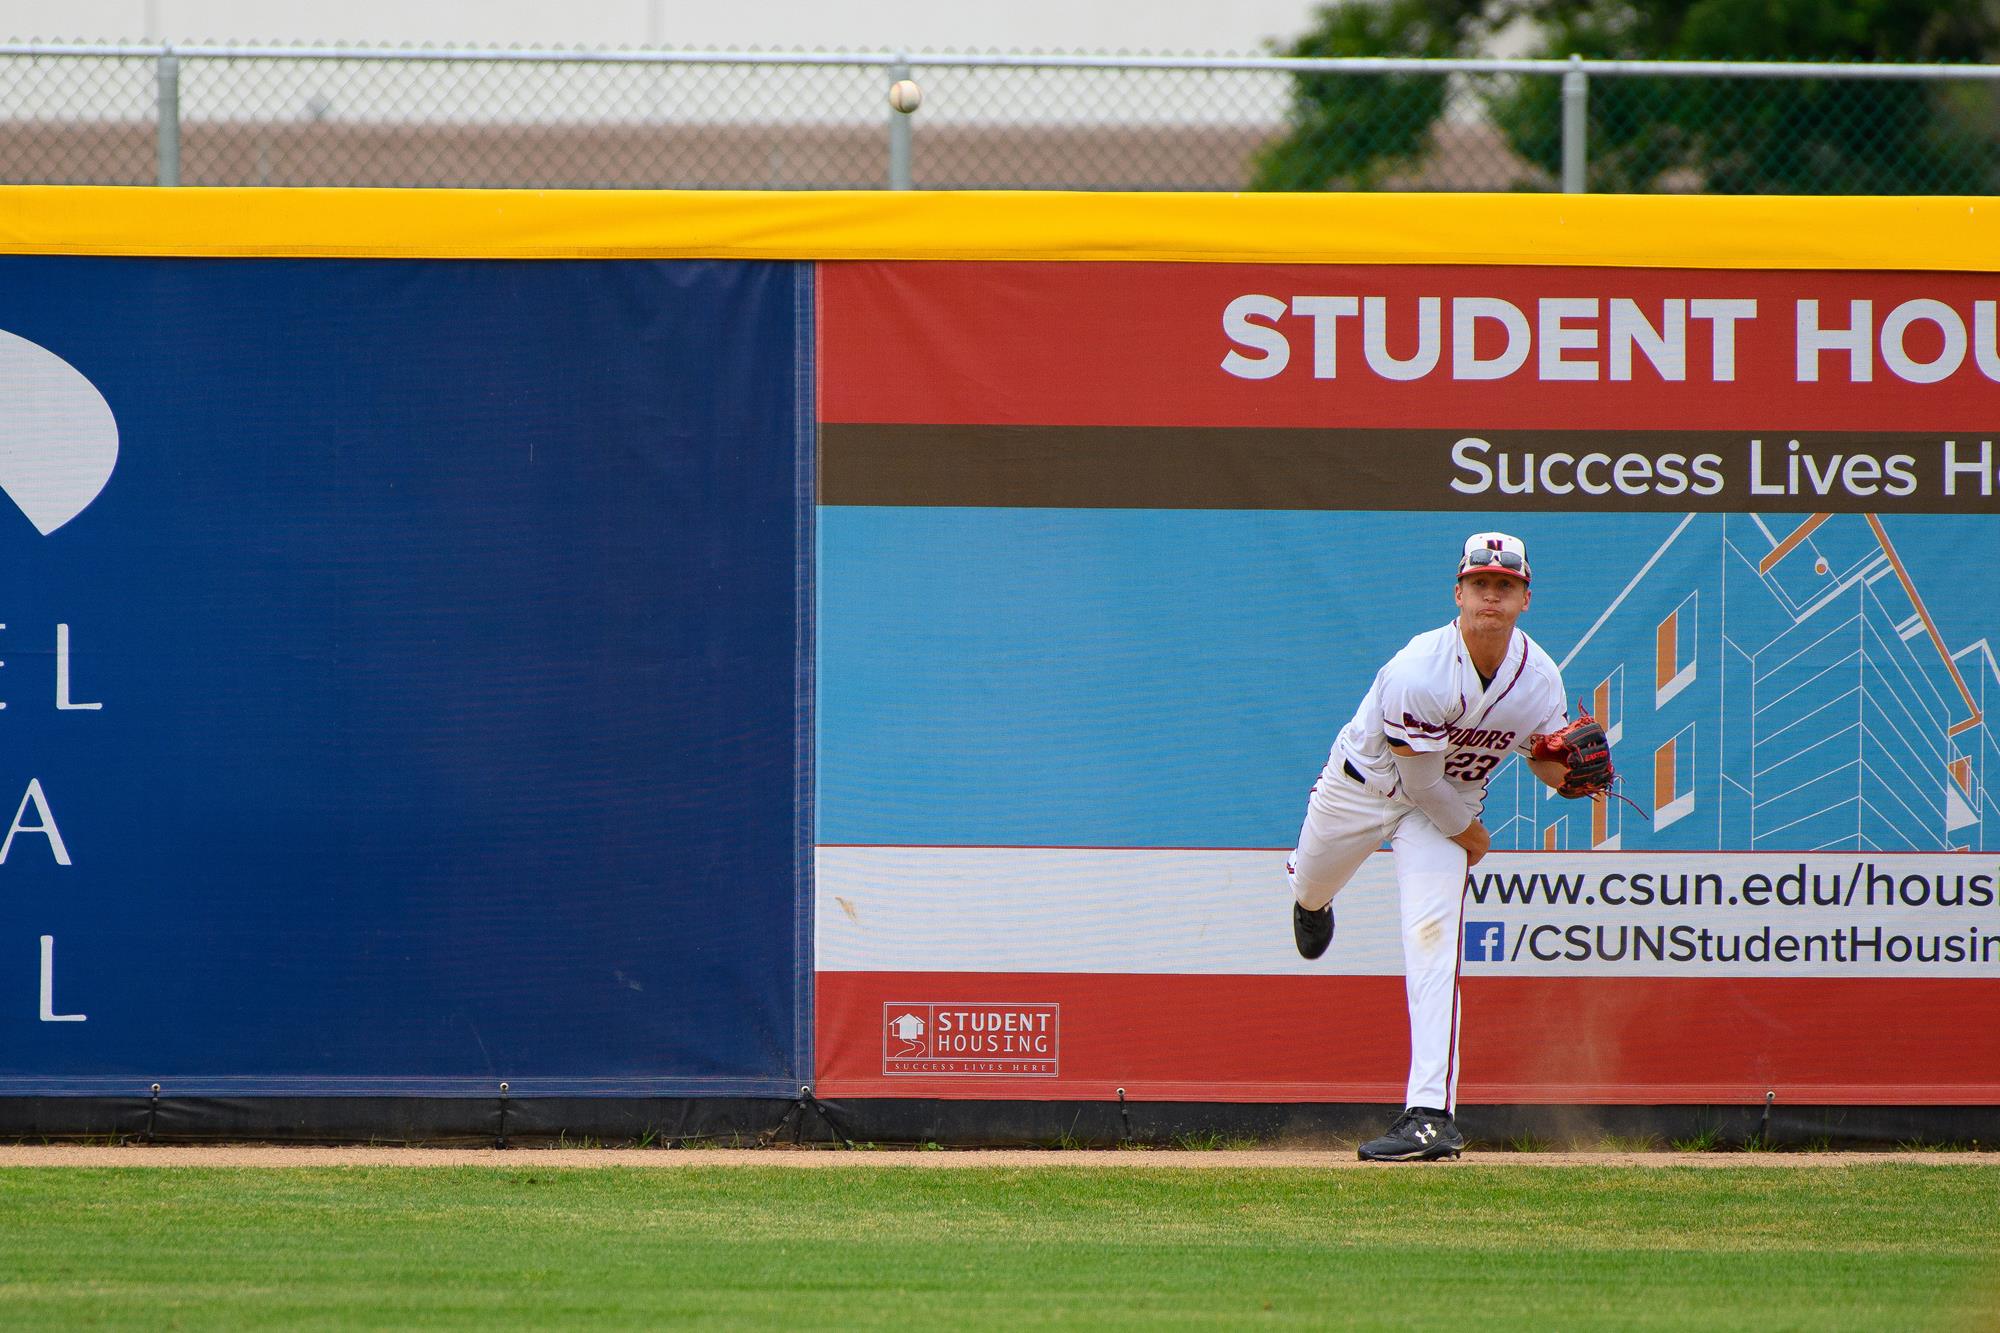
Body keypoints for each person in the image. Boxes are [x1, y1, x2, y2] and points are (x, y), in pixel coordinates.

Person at [1288, 532, 1574, 1162]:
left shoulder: (1540, 679)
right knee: (1310, 883)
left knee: (1433, 943)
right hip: (1364, 788)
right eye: (1480, 584)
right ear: (1458, 594)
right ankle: (1311, 902)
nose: (1491, 595)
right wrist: (1471, 833)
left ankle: (1429, 1118)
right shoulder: (1420, 668)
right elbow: (1418, 781)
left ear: (1525, 598)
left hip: (1443, 809)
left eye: (1505, 585)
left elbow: (1544, 761)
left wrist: (1568, 776)